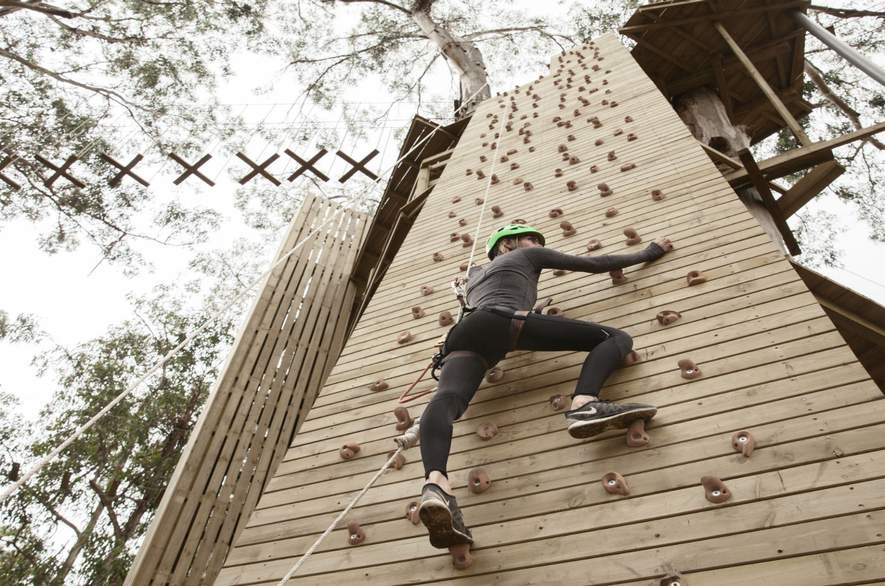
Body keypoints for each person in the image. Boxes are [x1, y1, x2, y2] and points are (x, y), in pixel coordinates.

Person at [417, 223, 673, 549]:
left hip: (463, 335)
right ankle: (584, 404)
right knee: (616, 338)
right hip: (501, 321)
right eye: (530, 238)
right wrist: (650, 252)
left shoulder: (474, 278)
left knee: (448, 398)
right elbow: (591, 264)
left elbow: (494, 295)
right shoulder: (528, 256)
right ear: (508, 244)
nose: (537, 243)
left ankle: (436, 484)